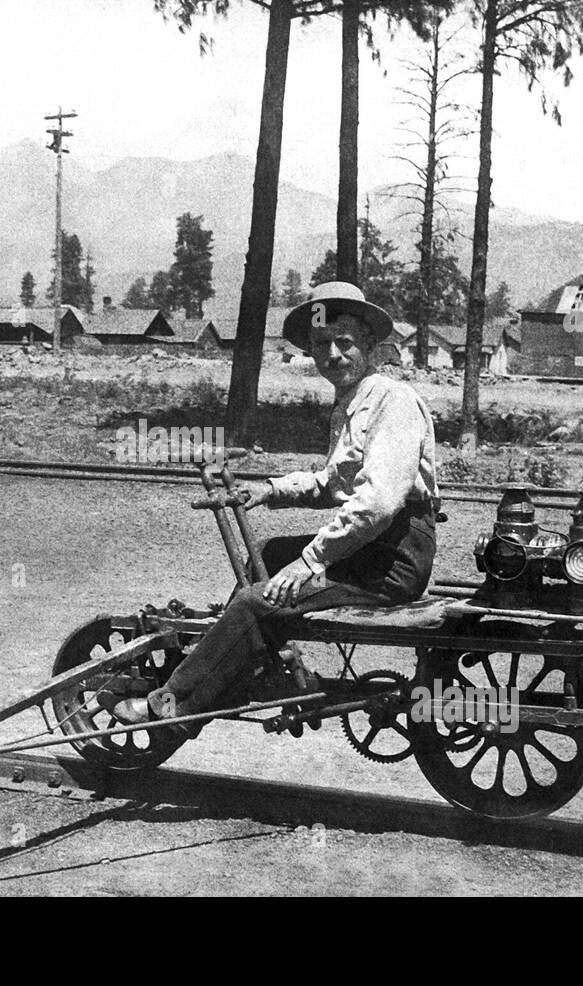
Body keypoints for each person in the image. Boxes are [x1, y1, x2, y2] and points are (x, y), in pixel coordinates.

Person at [107, 280, 439, 730]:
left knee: (255, 600)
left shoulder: (392, 400)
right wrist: (270, 489)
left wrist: (312, 561)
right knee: (268, 555)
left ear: (369, 345)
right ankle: (242, 663)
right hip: (376, 547)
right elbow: (334, 482)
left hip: (391, 559)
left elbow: (378, 502)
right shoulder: (353, 402)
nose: (333, 356)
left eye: (344, 343)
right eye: (322, 345)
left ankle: (179, 703)